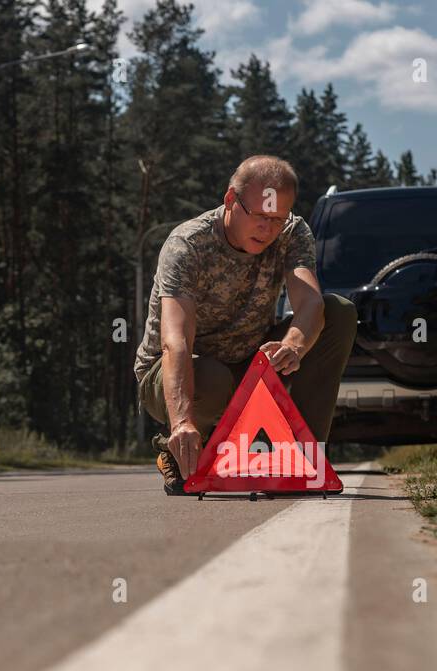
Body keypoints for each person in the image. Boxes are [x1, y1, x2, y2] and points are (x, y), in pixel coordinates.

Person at [134, 155, 357, 494]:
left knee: (337, 311)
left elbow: (310, 301)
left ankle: (302, 453)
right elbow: (175, 340)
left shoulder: (292, 233)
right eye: (259, 216)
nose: (268, 229)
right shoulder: (188, 245)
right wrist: (181, 421)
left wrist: (293, 345)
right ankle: (181, 445)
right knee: (212, 378)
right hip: (177, 372)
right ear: (230, 201)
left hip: (250, 362)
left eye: (277, 218)